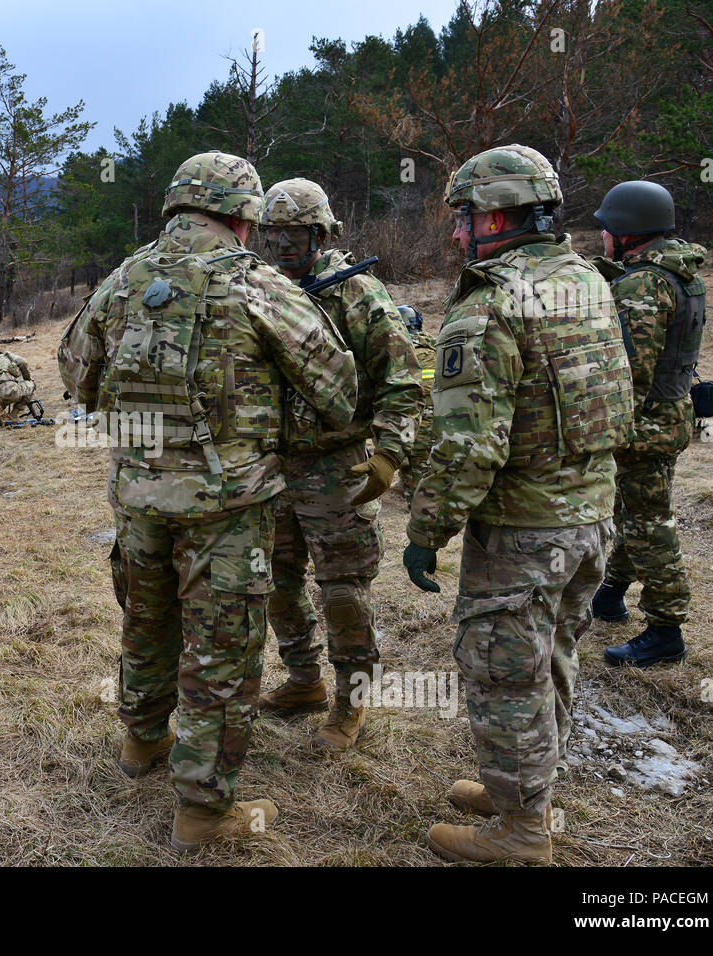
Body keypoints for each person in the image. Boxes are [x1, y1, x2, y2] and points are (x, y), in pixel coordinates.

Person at [57, 151, 357, 853]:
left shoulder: (125, 276)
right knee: (221, 653)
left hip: (136, 499)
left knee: (147, 623)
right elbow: (338, 392)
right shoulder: (256, 283)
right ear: (243, 216)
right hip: (226, 508)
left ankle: (141, 741)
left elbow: (76, 373)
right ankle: (202, 810)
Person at [402, 144, 634, 864]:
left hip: (524, 530)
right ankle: (527, 789)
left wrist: (425, 528)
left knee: (504, 673)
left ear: (497, 214)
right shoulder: (589, 280)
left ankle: (522, 832)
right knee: (554, 654)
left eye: (463, 217)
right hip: (591, 517)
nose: (455, 232)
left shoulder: (490, 303)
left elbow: (469, 446)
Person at [256, 178, 423, 752]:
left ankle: (350, 703)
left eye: (295, 233)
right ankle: (303, 680)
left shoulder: (359, 296)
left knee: (344, 592)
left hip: (336, 468)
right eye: (272, 232)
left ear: (322, 233)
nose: (282, 244)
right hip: (270, 468)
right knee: (274, 583)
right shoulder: (258, 293)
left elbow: (405, 382)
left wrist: (390, 453)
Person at [589, 181, 705, 667]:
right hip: (670, 414)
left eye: (606, 228)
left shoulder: (643, 285)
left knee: (648, 522)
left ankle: (665, 628)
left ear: (627, 230)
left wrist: (604, 432)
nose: (601, 237)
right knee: (634, 511)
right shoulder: (679, 272)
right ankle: (611, 593)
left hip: (644, 424)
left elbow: (629, 374)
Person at [396, 305, 438, 505]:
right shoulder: (437, 344)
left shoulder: (399, 349)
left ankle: (417, 503)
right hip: (442, 414)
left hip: (413, 415)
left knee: (411, 461)